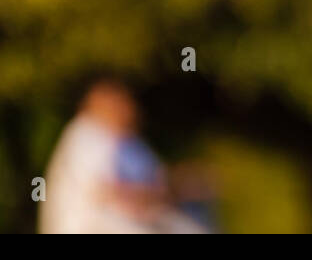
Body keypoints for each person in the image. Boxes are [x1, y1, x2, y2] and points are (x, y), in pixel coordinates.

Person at [38, 78, 211, 233]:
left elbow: (154, 180)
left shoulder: (125, 141)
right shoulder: (87, 132)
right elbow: (105, 191)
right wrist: (162, 194)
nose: (129, 108)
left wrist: (179, 186)